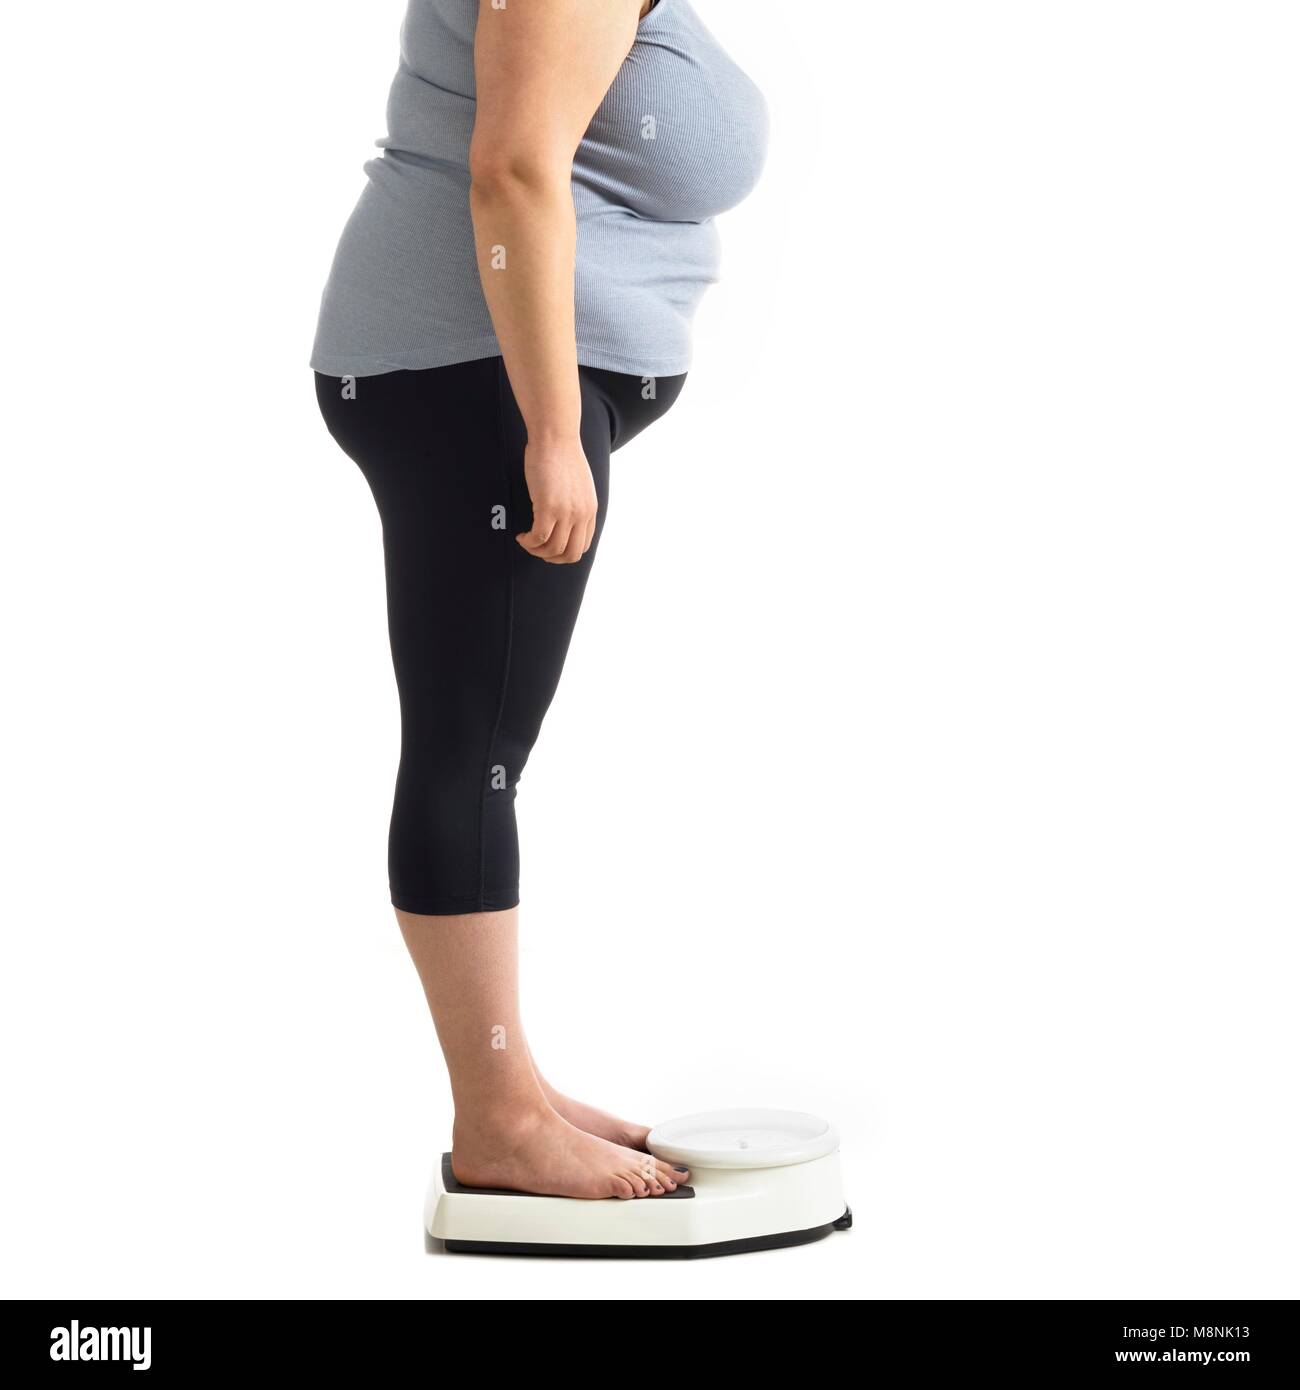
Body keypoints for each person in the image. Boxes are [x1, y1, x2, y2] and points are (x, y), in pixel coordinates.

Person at [311, 0, 767, 1200]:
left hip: (478, 376)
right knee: (474, 755)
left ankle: (509, 1089)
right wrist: (554, 428)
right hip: (484, 384)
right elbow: (512, 169)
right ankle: (497, 1121)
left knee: (482, 747)